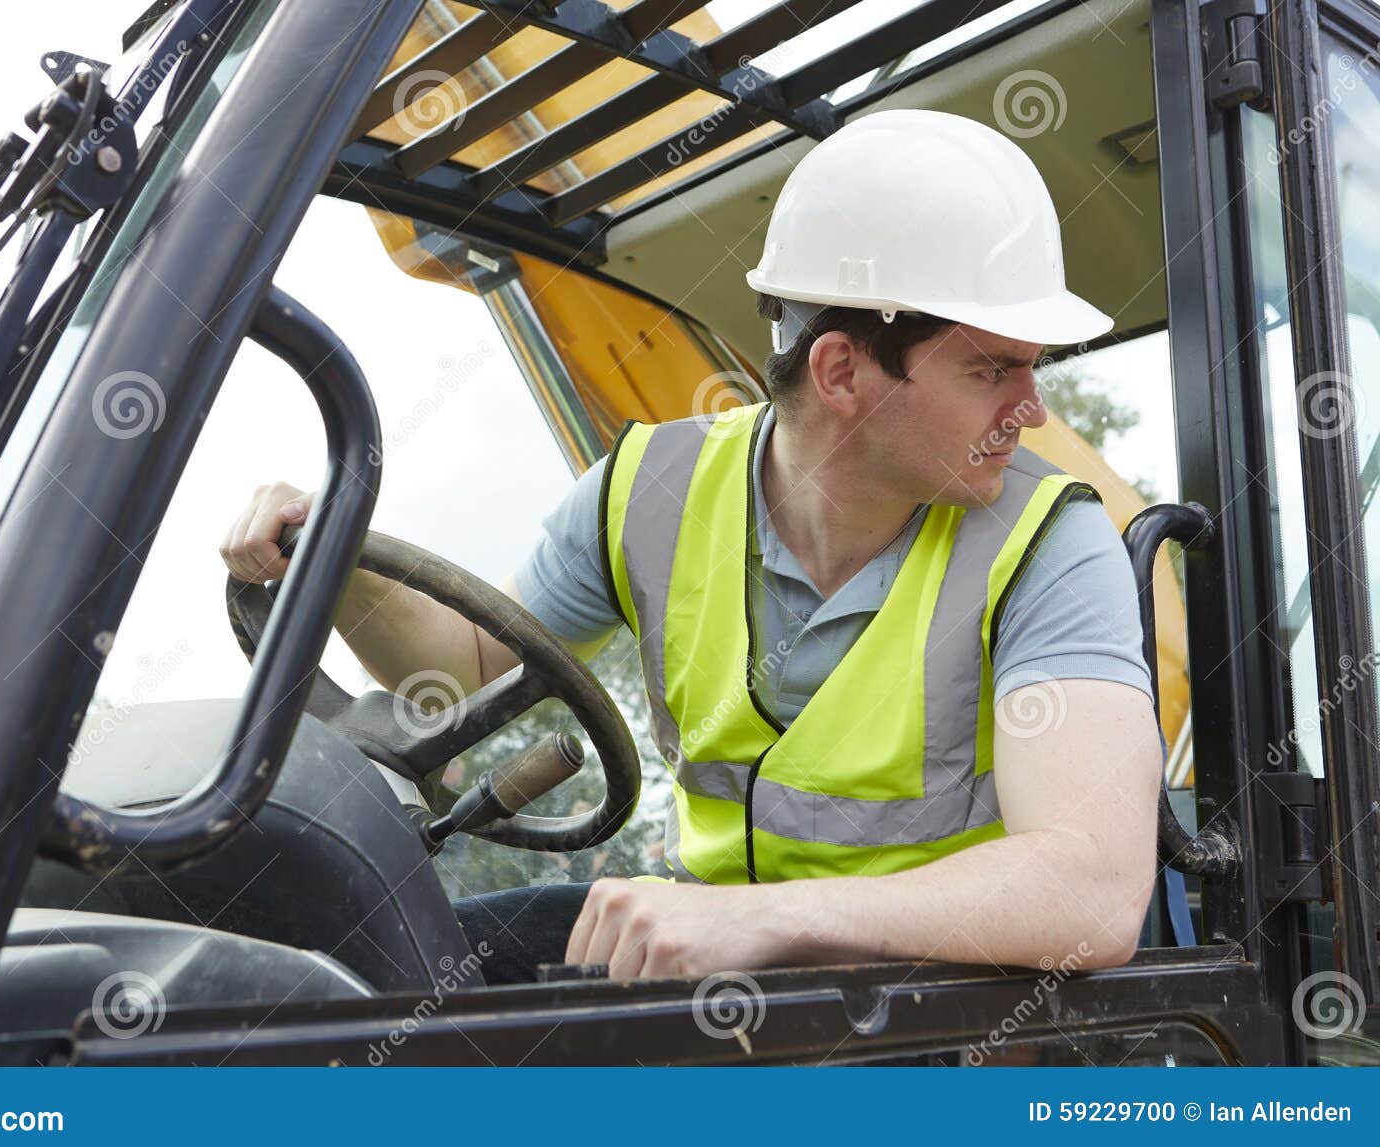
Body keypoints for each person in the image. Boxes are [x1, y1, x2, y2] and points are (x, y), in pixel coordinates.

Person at [221, 109, 1161, 985]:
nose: (1032, 410)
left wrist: (766, 919)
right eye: (992, 371)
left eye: (1028, 369)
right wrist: (335, 556)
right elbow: (454, 670)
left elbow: (1093, 892)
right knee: (380, 966)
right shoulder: (650, 490)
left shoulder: (1051, 540)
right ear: (841, 370)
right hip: (719, 952)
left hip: (938, 998)